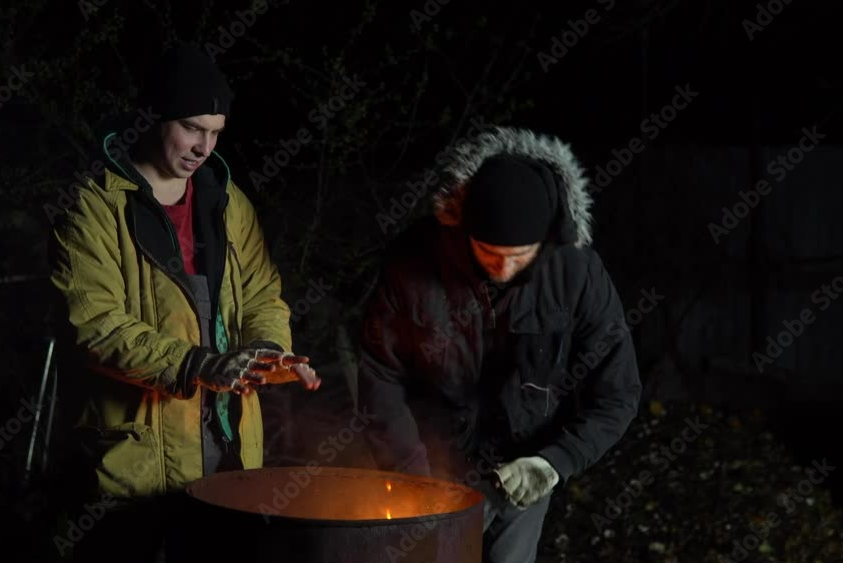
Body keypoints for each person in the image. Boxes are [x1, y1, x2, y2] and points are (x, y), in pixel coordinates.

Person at [46, 45, 320, 561]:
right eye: (193, 128)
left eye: (216, 132)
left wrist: (266, 349)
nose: (205, 146)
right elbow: (96, 326)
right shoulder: (92, 206)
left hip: (232, 452)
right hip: (137, 463)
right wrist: (200, 364)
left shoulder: (226, 200)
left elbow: (263, 292)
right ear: (153, 117)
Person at [357, 126, 642, 562]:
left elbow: (617, 392)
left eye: (520, 255)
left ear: (546, 240)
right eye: (490, 253)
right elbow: (380, 375)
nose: (503, 269)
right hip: (434, 468)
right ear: (463, 228)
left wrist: (554, 462)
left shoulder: (577, 274)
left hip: (522, 469)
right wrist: (412, 475)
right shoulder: (414, 259)